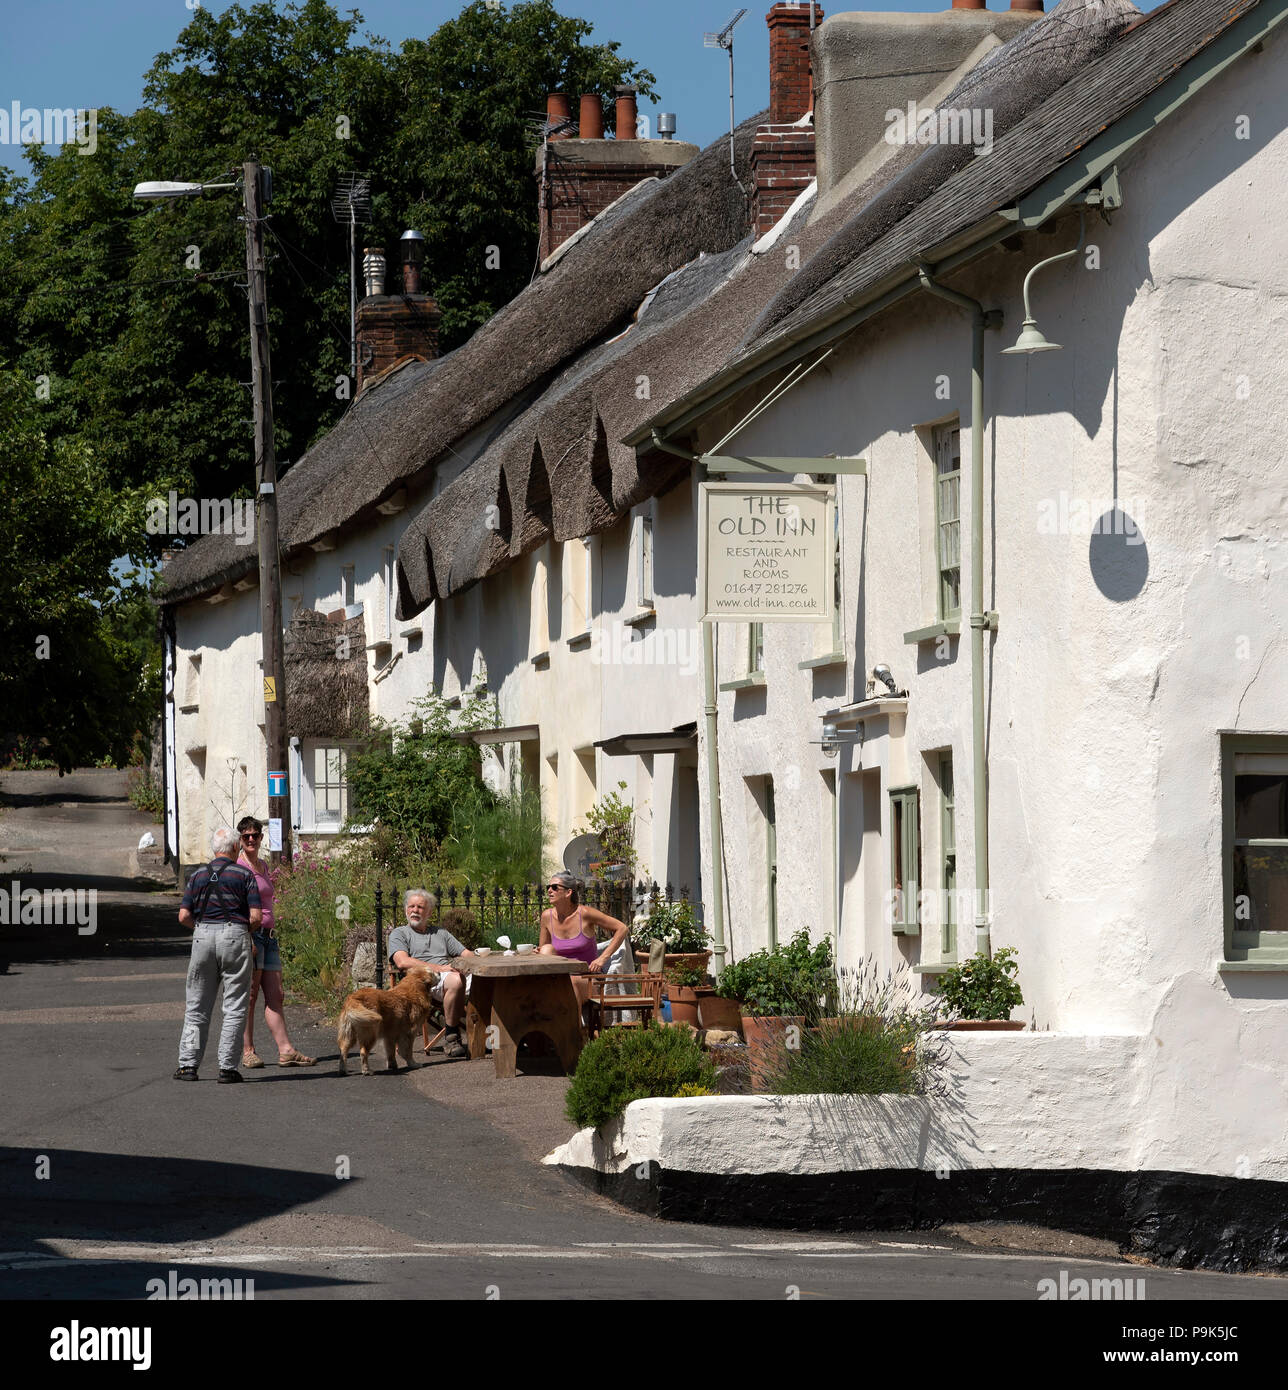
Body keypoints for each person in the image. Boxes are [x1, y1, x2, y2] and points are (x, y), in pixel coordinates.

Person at [174, 827, 261, 1083]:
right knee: (234, 1005)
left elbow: (183, 916)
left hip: (202, 936)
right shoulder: (244, 874)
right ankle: (227, 1068)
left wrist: (202, 930)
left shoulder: (197, 875)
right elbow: (256, 917)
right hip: (235, 936)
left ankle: (188, 1065)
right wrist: (241, 931)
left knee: (196, 1006)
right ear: (236, 848)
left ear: (215, 849)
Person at [237, 815, 315, 1069]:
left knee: (276, 995)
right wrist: (247, 937)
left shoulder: (262, 865)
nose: (251, 839)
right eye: (246, 836)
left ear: (261, 838)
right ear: (240, 840)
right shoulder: (239, 869)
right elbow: (237, 906)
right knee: (249, 996)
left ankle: (286, 1050)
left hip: (269, 937)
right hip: (252, 935)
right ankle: (248, 1050)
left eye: (255, 835)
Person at [387, 890, 474, 1059]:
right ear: (406, 910)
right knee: (456, 980)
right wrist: (439, 968)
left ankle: (491, 1036)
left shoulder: (440, 933)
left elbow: (466, 954)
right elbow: (402, 962)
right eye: (411, 906)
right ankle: (451, 1037)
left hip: (448, 975)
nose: (415, 910)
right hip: (423, 981)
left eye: (420, 907)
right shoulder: (400, 933)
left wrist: (481, 959)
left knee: (490, 980)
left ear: (429, 912)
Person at [538, 872, 630, 1014]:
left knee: (571, 983)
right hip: (560, 977)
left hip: (588, 978)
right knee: (546, 950)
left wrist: (602, 958)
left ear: (568, 892)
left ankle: (577, 1032)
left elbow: (622, 928)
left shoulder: (585, 914)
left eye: (555, 887)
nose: (550, 890)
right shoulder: (546, 917)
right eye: (548, 887)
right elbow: (543, 950)